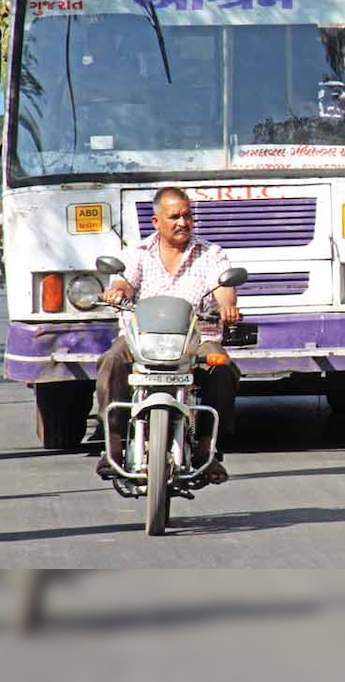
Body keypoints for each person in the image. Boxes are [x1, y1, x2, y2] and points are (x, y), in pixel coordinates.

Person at [95, 187, 241, 484]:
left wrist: (227, 305)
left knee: (222, 366)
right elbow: (123, 283)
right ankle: (112, 445)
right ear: (156, 222)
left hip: (195, 341)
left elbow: (225, 286)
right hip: (142, 340)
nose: (183, 222)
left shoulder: (211, 253)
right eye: (174, 216)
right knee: (110, 361)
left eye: (187, 215)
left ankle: (207, 449)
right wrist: (116, 292)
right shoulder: (137, 254)